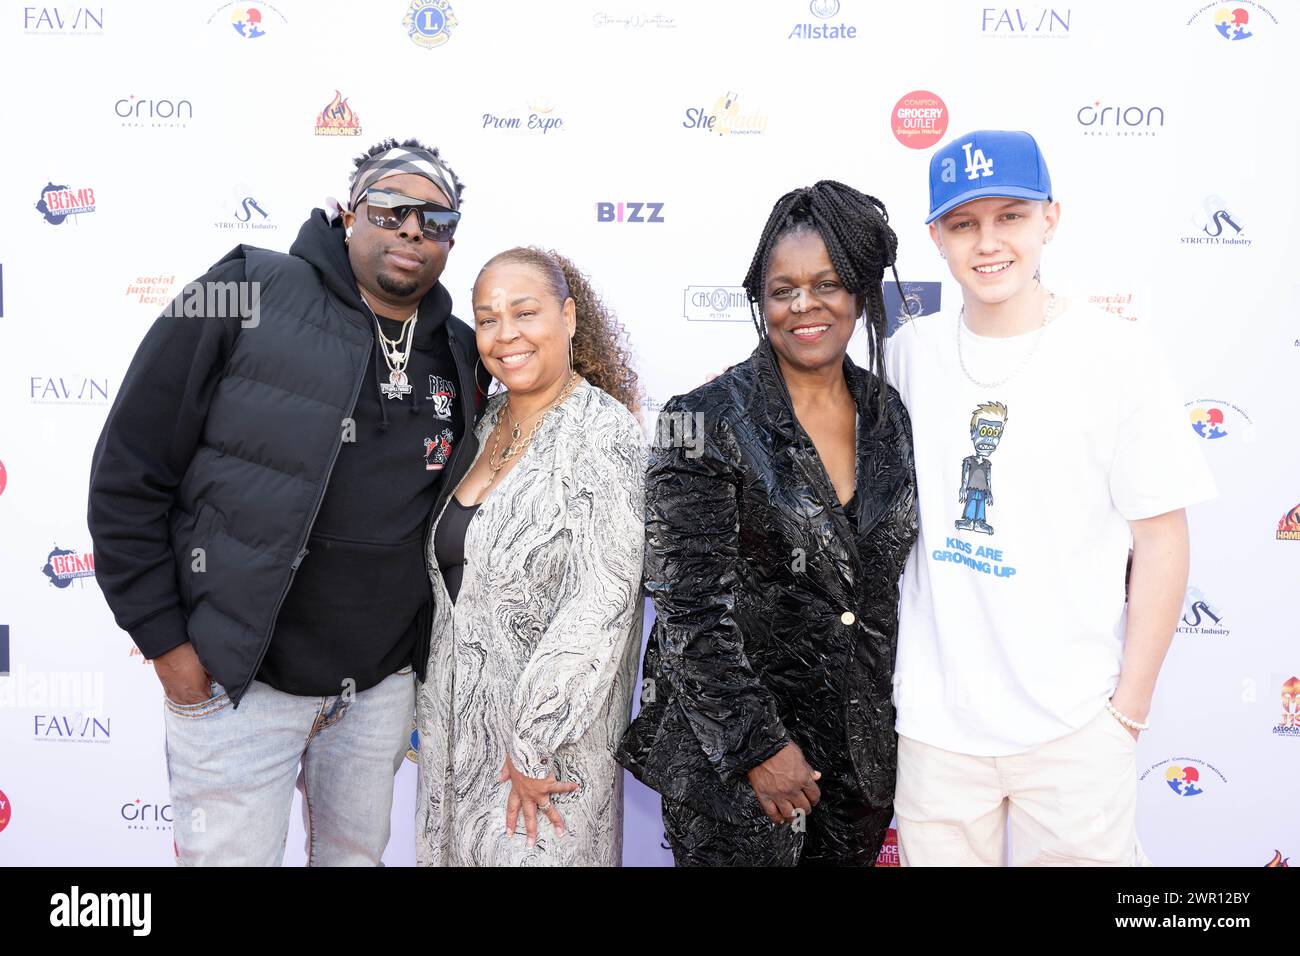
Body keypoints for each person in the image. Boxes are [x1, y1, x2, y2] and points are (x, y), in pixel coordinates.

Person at [88, 138, 487, 866]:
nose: (411, 231)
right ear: (347, 214)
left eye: (436, 221)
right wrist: (168, 646)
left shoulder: (460, 349)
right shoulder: (248, 286)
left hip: (377, 694)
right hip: (239, 685)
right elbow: (129, 469)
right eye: (391, 210)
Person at [885, 130, 1217, 866]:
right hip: (938, 732)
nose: (989, 242)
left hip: (1073, 727)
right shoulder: (910, 352)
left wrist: (1127, 711)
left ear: (1050, 220)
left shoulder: (1117, 355)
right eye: (965, 223)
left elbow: (1162, 536)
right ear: (936, 236)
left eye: (1011, 216)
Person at [617, 182, 918, 867]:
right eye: (783, 289)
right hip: (735, 780)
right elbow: (689, 607)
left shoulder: (891, 413)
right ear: (759, 299)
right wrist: (759, 747)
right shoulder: (701, 419)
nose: (805, 305)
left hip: (859, 773)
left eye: (828, 284)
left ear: (862, 293)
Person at [416, 247, 645, 866]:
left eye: (525, 312)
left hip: (546, 766)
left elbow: (603, 602)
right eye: (487, 318)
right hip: (455, 753)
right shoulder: (485, 423)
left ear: (568, 318)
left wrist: (532, 745)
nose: (505, 333)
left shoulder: (604, 435)